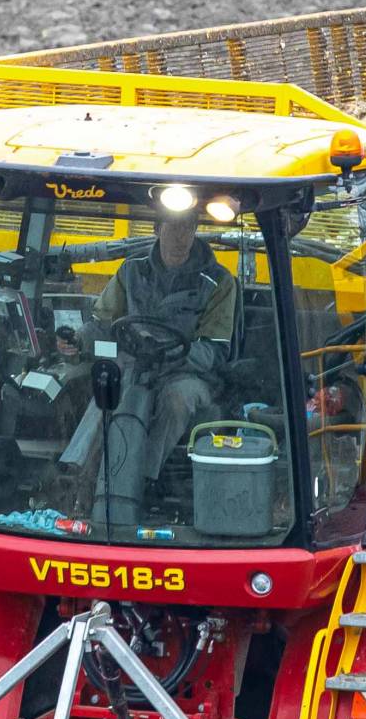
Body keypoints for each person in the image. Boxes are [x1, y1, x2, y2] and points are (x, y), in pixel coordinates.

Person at [65, 211, 239, 526]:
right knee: (108, 384)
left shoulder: (219, 282)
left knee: (177, 399)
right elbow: (102, 322)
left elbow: (214, 349)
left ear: (196, 230)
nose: (180, 237)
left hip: (187, 373)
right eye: (173, 227)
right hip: (134, 363)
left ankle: (140, 481)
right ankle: (81, 479)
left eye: (187, 228)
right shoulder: (130, 271)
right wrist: (78, 341)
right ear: (157, 228)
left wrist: (168, 353)